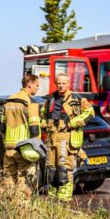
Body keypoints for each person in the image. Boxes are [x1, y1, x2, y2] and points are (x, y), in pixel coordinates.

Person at [41, 74, 94, 202]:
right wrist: (42, 123)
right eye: (58, 83)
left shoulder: (77, 99)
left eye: (63, 83)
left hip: (66, 137)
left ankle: (64, 196)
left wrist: (73, 123)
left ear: (68, 84)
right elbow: (42, 115)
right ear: (55, 83)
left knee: (64, 167)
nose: (61, 86)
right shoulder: (50, 99)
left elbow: (90, 113)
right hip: (51, 137)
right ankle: (52, 194)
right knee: (50, 167)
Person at [1, 74, 41, 197]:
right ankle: (21, 209)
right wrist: (37, 149)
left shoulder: (8, 101)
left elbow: (2, 127)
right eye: (37, 85)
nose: (38, 88)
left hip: (8, 148)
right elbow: (34, 128)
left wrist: (5, 143)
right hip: (23, 148)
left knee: (9, 179)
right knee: (23, 180)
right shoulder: (30, 102)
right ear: (29, 85)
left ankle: (8, 208)